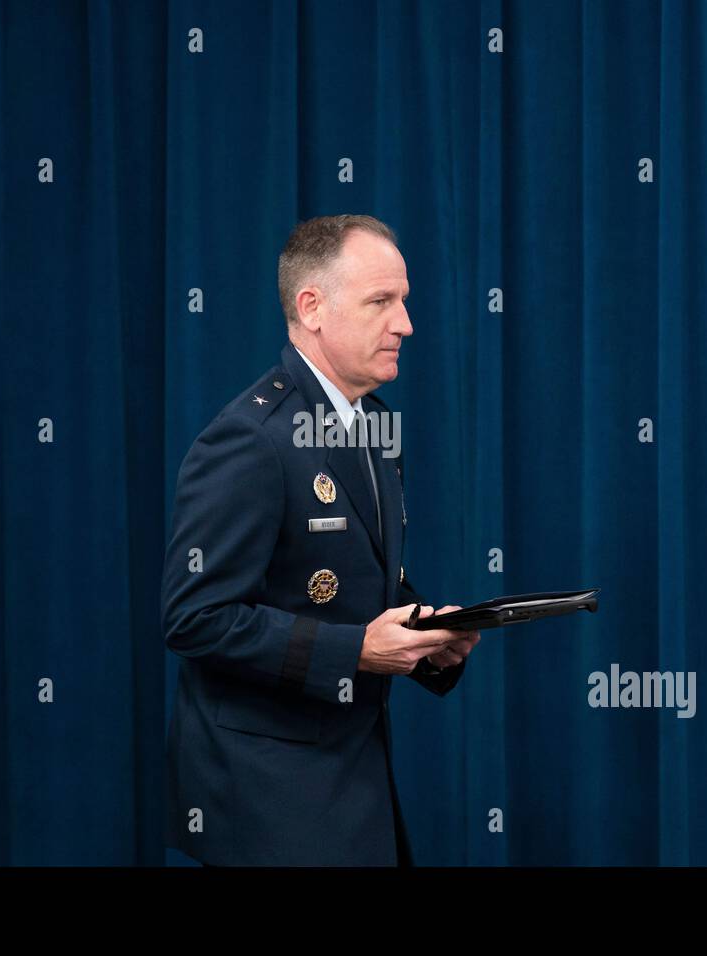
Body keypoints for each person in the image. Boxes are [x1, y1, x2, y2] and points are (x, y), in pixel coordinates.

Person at [161, 214, 480, 866]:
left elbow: (358, 581)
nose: (406, 324)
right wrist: (358, 650)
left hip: (355, 782)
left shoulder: (374, 424)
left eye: (405, 301)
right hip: (270, 801)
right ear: (312, 308)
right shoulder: (254, 437)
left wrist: (426, 635)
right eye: (380, 302)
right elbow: (194, 618)